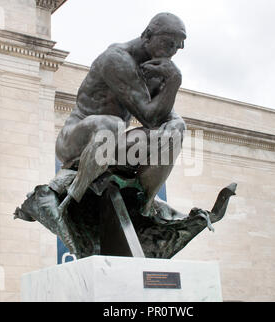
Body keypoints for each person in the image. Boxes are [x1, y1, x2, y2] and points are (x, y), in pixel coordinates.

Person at [56, 12, 188, 217]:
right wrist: (174, 80)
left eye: (175, 47)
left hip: (109, 144)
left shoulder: (158, 70)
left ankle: (145, 205)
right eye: (167, 43)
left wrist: (175, 121)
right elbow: (149, 117)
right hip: (76, 140)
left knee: (177, 129)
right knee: (114, 125)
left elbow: (162, 117)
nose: (170, 52)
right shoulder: (116, 59)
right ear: (147, 35)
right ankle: (74, 195)